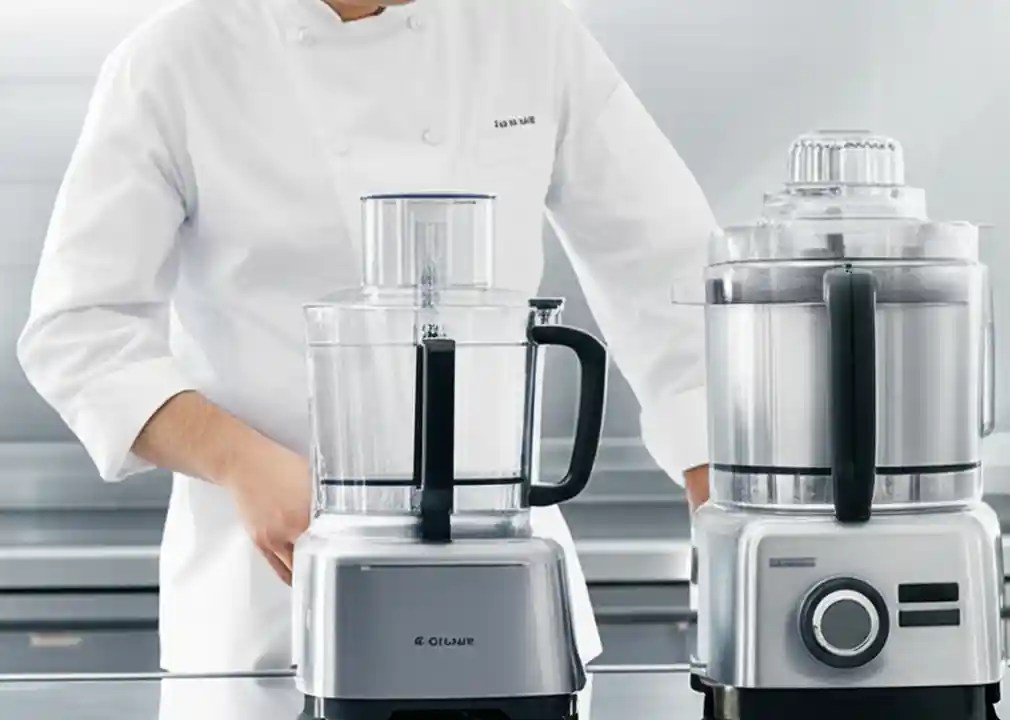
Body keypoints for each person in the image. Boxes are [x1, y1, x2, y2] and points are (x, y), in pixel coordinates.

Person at [17, 0, 713, 698]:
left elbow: (668, 271)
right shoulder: (175, 58)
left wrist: (718, 502)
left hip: (510, 598)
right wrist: (238, 459)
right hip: (272, 610)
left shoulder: (528, 29)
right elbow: (80, 328)